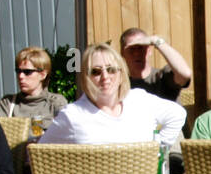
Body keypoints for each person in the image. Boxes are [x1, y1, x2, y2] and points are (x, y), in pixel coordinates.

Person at [38, 43, 186, 146]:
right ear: (86, 77)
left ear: (121, 74)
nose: (105, 77)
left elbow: (178, 114)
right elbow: (39, 156)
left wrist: (156, 151)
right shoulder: (73, 115)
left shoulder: (139, 100)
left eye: (111, 70)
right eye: (96, 72)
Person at [0, 46, 68, 124]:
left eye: (27, 72)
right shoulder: (8, 103)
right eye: (18, 71)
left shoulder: (56, 103)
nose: (20, 76)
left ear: (42, 75)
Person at [120, 27, 193, 101]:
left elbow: (185, 74)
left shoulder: (162, 77)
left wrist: (156, 41)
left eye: (140, 47)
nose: (136, 53)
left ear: (149, 50)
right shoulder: (119, 83)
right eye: (131, 49)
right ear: (122, 53)